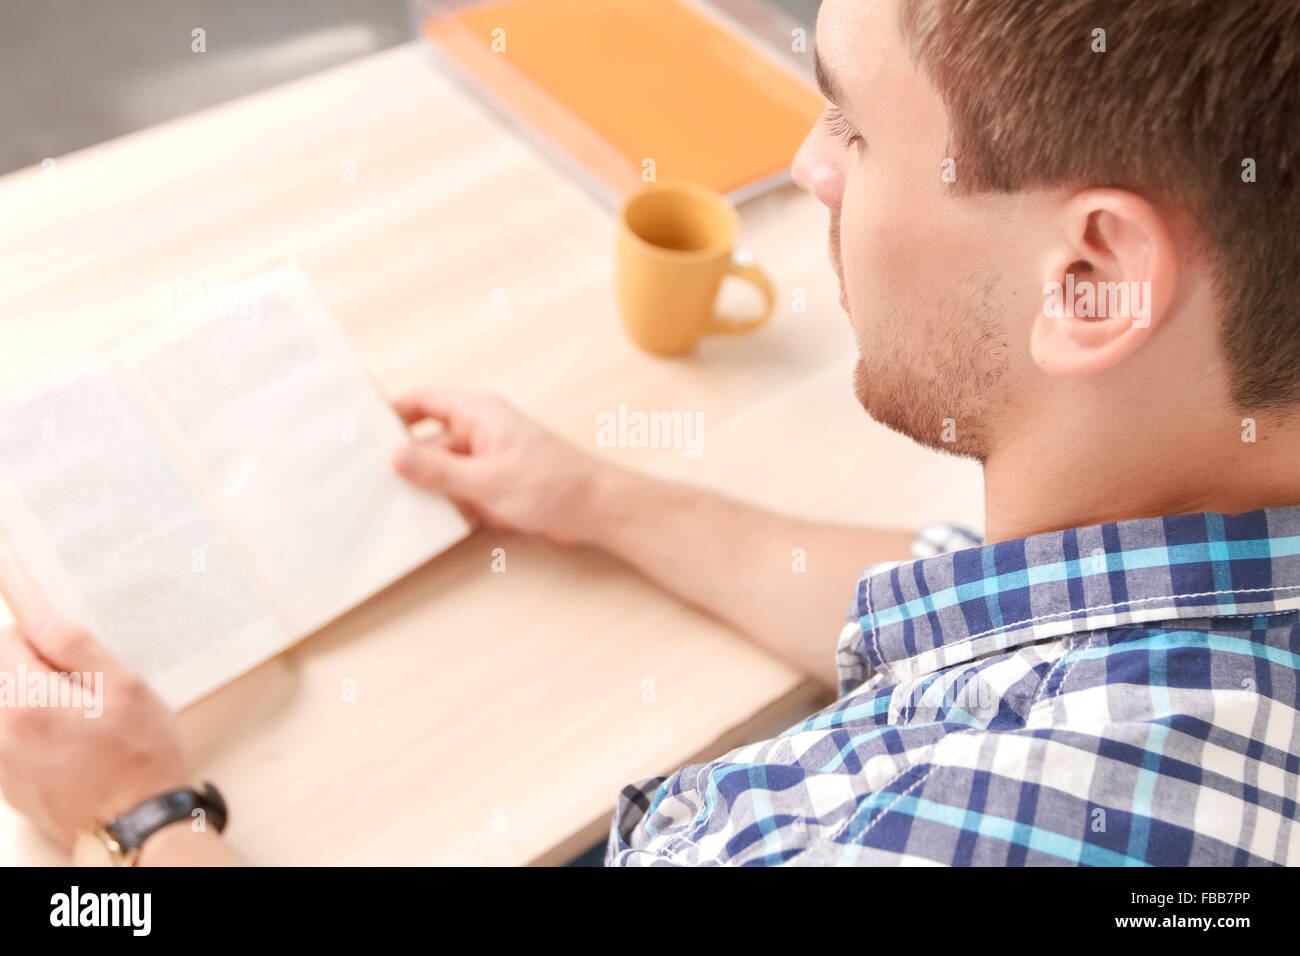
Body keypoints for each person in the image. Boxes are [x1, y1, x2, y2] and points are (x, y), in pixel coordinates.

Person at [3, 0, 1299, 865]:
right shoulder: (1211, 541)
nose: (810, 165)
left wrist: (139, 816)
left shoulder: (1011, 831)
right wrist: (595, 498)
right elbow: (988, 612)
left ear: (1093, 282)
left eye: (855, 122)